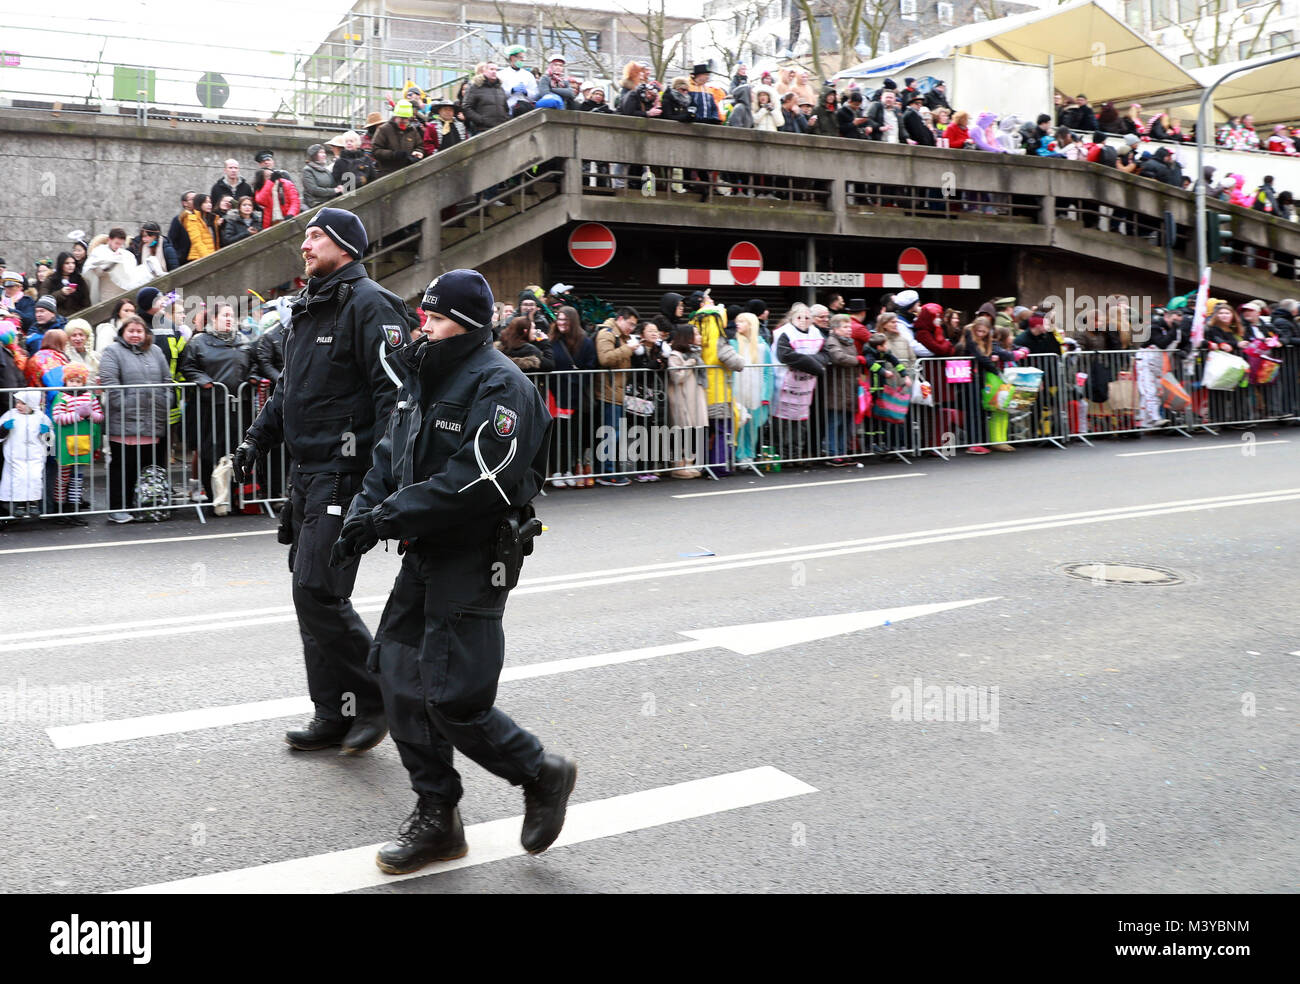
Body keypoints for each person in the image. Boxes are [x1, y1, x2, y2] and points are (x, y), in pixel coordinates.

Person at [331, 268, 576, 872]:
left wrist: (387, 517)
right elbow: (391, 456)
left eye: (435, 319)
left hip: (474, 552)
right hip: (425, 549)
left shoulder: (502, 385)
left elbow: (481, 477)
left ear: (465, 325)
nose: (423, 325)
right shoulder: (423, 374)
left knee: (453, 696)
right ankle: (437, 814)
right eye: (425, 315)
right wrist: (360, 518)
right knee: (397, 673)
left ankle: (539, 772)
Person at [232, 207, 414, 755]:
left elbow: (395, 400)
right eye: (305, 237)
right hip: (306, 472)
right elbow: (287, 388)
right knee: (307, 594)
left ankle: (380, 695)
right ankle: (335, 711)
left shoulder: (372, 305)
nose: (305, 245)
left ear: (345, 247)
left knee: (318, 591)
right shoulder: (309, 307)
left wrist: (387, 480)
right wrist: (254, 441)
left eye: (316, 236)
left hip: (346, 472)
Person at [96, 314, 173, 522]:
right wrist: (126, 404)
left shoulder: (155, 351)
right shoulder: (113, 351)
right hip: (124, 421)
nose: (135, 334)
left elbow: (167, 381)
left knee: (148, 466)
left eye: (139, 331)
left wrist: (164, 401)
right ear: (123, 332)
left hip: (152, 419)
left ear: (145, 333)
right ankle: (119, 507)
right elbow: (109, 382)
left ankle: (146, 506)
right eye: (131, 331)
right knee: (123, 466)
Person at [180, 302, 254, 506]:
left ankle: (236, 496)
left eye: (232, 315)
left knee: (238, 451)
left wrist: (254, 377)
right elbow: (187, 367)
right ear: (214, 318)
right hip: (209, 406)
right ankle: (214, 497)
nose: (230, 319)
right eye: (225, 315)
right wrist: (203, 380)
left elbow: (255, 363)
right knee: (208, 451)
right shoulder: (198, 342)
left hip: (239, 406)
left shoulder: (244, 340)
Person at [0, 389, 52, 519]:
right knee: (18, 479)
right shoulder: (10, 415)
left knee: (34, 478)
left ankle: (33, 504)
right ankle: (19, 505)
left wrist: (46, 433)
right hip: (15, 455)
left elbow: (50, 441)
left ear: (32, 404)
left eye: (22, 403)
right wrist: (4, 429)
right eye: (17, 402)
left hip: (35, 456)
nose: (18, 406)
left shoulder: (41, 417)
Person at [83, 229, 139, 306]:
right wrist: (109, 264)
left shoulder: (126, 254)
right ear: (109, 240)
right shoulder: (99, 251)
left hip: (122, 291)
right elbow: (93, 270)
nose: (118, 246)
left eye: (121, 244)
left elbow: (131, 271)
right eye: (116, 243)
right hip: (106, 290)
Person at [462, 62, 509, 135]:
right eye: (491, 69)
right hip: (482, 130)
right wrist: (481, 120)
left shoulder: (500, 88)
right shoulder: (474, 86)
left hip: (500, 129)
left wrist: (505, 119)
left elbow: (505, 108)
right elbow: (466, 107)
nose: (494, 72)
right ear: (484, 71)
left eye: (496, 70)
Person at [41, 252, 89, 318]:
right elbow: (44, 300)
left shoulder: (80, 280)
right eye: (67, 263)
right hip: (56, 318)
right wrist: (61, 293)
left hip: (77, 318)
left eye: (73, 263)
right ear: (61, 264)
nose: (71, 265)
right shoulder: (51, 280)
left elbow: (86, 303)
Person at [301, 143, 342, 208]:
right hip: (315, 204)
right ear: (314, 155)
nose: (324, 155)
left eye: (324, 153)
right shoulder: (308, 170)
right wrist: (334, 191)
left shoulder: (326, 170)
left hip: (329, 202)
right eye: (321, 152)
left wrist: (339, 187)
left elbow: (332, 184)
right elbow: (313, 190)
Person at [498, 45, 537, 113]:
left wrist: (526, 92)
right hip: (508, 110)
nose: (522, 59)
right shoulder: (501, 74)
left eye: (523, 57)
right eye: (520, 57)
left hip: (526, 109)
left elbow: (535, 94)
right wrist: (511, 91)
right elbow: (498, 95)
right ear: (512, 58)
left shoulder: (528, 75)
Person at [182, 194, 219, 261]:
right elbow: (197, 241)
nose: (209, 205)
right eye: (206, 202)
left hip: (212, 256)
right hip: (199, 258)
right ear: (199, 204)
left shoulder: (212, 219)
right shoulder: (192, 219)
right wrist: (208, 258)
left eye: (210, 202)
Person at [167, 192, 195, 268]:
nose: (196, 201)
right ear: (185, 203)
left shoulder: (201, 218)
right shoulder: (178, 219)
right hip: (184, 260)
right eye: (193, 199)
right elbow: (171, 239)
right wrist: (179, 256)